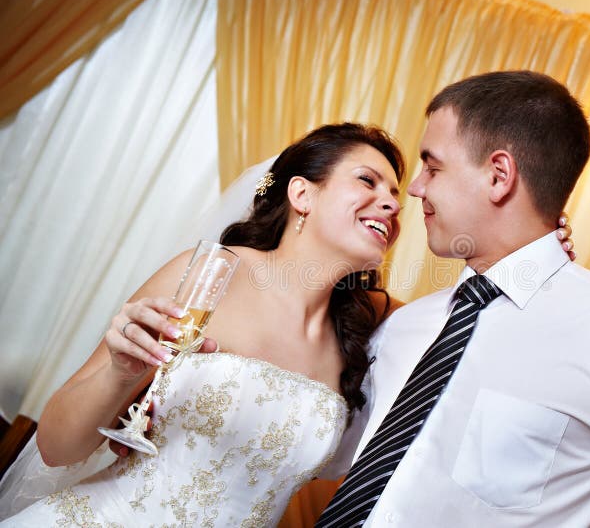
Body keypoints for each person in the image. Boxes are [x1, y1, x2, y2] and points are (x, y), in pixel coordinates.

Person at [316, 71, 590, 527]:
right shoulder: (402, 326)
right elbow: (324, 456)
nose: (415, 188)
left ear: (499, 176)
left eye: (433, 167)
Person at [0, 123, 408, 527]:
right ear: (301, 194)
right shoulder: (210, 275)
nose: (390, 204)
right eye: (367, 181)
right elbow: (56, 449)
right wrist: (119, 375)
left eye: (395, 196)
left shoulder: (370, 327)